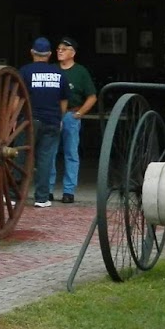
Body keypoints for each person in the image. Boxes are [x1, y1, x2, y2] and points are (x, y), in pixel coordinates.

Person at [18, 36, 67, 209]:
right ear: (49, 54)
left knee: (20, 156)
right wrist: (59, 119)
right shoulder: (59, 74)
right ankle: (41, 198)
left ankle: (12, 195)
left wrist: (12, 120)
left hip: (29, 121)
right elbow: (63, 101)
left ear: (32, 52)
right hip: (52, 121)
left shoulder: (25, 71)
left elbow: (17, 98)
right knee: (45, 160)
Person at [54, 37, 97, 204]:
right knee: (49, 153)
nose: (60, 51)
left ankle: (68, 191)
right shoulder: (52, 70)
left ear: (73, 53)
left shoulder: (81, 72)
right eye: (58, 48)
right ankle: (47, 189)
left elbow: (92, 97)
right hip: (53, 115)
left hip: (71, 115)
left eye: (64, 49)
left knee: (71, 153)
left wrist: (79, 114)